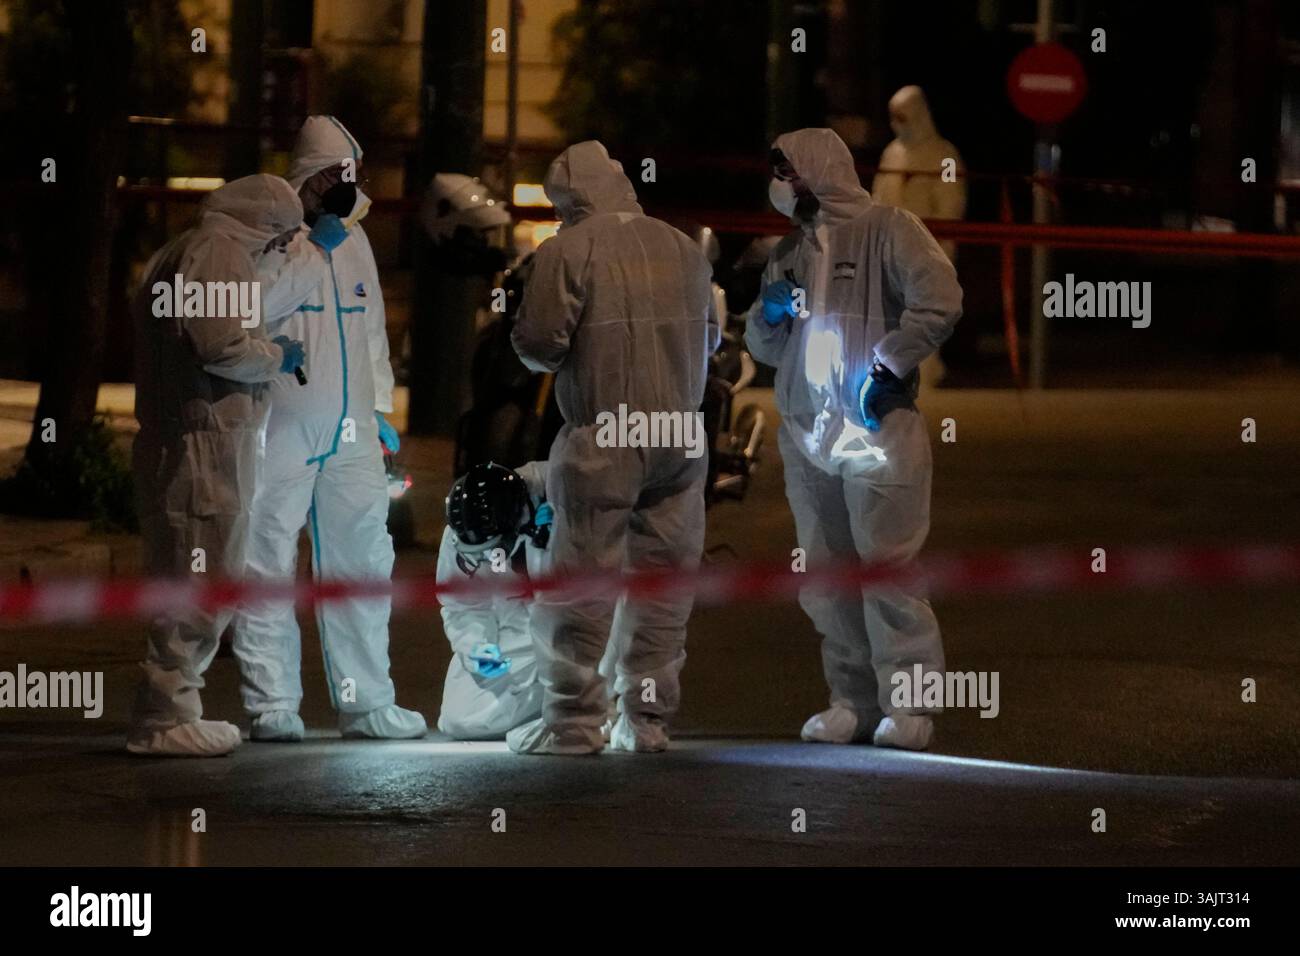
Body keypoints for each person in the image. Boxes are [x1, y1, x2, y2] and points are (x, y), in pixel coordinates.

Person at [746, 128, 962, 751]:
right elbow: (762, 347)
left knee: (888, 570)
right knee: (826, 576)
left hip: (876, 430)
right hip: (809, 436)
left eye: (787, 172)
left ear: (817, 172)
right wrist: (769, 312)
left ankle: (911, 706)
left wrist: (890, 365)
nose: (781, 185)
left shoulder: (889, 229)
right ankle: (851, 700)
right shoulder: (791, 251)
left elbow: (940, 301)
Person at [507, 140, 718, 755]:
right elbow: (709, 340)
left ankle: (573, 723)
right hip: (680, 433)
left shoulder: (569, 250)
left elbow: (540, 345)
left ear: (568, 200)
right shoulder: (682, 247)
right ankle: (646, 721)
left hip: (606, 434)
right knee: (662, 583)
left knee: (582, 581)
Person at [233, 116, 426, 742]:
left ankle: (366, 701)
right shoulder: (272, 237)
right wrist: (315, 245)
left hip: (351, 429)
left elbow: (370, 331)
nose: (350, 187)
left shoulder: (358, 241)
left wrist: (382, 411)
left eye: (354, 176)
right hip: (283, 422)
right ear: (311, 180)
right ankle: (272, 704)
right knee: (267, 556)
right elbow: (254, 307)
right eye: (338, 177)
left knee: (363, 559)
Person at [126, 174, 307, 757]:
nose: (276, 255)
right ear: (264, 227)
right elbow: (223, 347)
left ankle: (172, 708)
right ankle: (166, 717)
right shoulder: (221, 254)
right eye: (279, 243)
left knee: (186, 572)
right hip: (204, 446)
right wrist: (280, 354)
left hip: (185, 440)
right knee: (200, 578)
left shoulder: (181, 250)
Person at [435, 460, 627, 739]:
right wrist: (476, 647)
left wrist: (562, 544)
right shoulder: (462, 532)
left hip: (576, 625)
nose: (485, 558)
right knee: (460, 719)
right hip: (519, 633)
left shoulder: (568, 494)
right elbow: (463, 605)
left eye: (491, 549)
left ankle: (595, 707)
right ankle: (556, 704)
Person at [871, 86, 966, 386]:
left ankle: (925, 376)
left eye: (903, 117)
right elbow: (879, 198)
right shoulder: (892, 153)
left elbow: (951, 203)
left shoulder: (944, 156)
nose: (898, 124)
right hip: (891, 250)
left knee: (924, 315)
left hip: (928, 251)